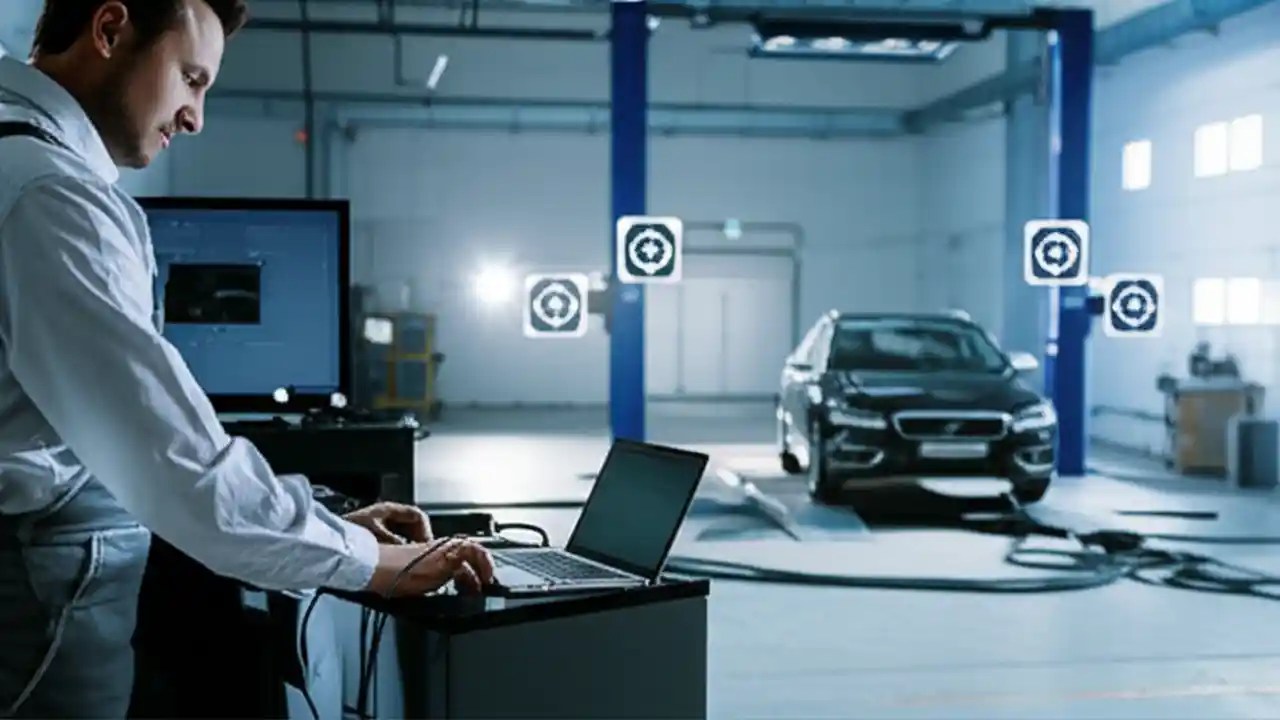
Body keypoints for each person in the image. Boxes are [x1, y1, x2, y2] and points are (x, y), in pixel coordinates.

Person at [0, 1, 494, 717]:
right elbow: (178, 465)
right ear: (110, 31)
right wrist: (375, 565)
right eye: (190, 78)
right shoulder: (51, 197)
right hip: (35, 606)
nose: (195, 115)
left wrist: (323, 527)